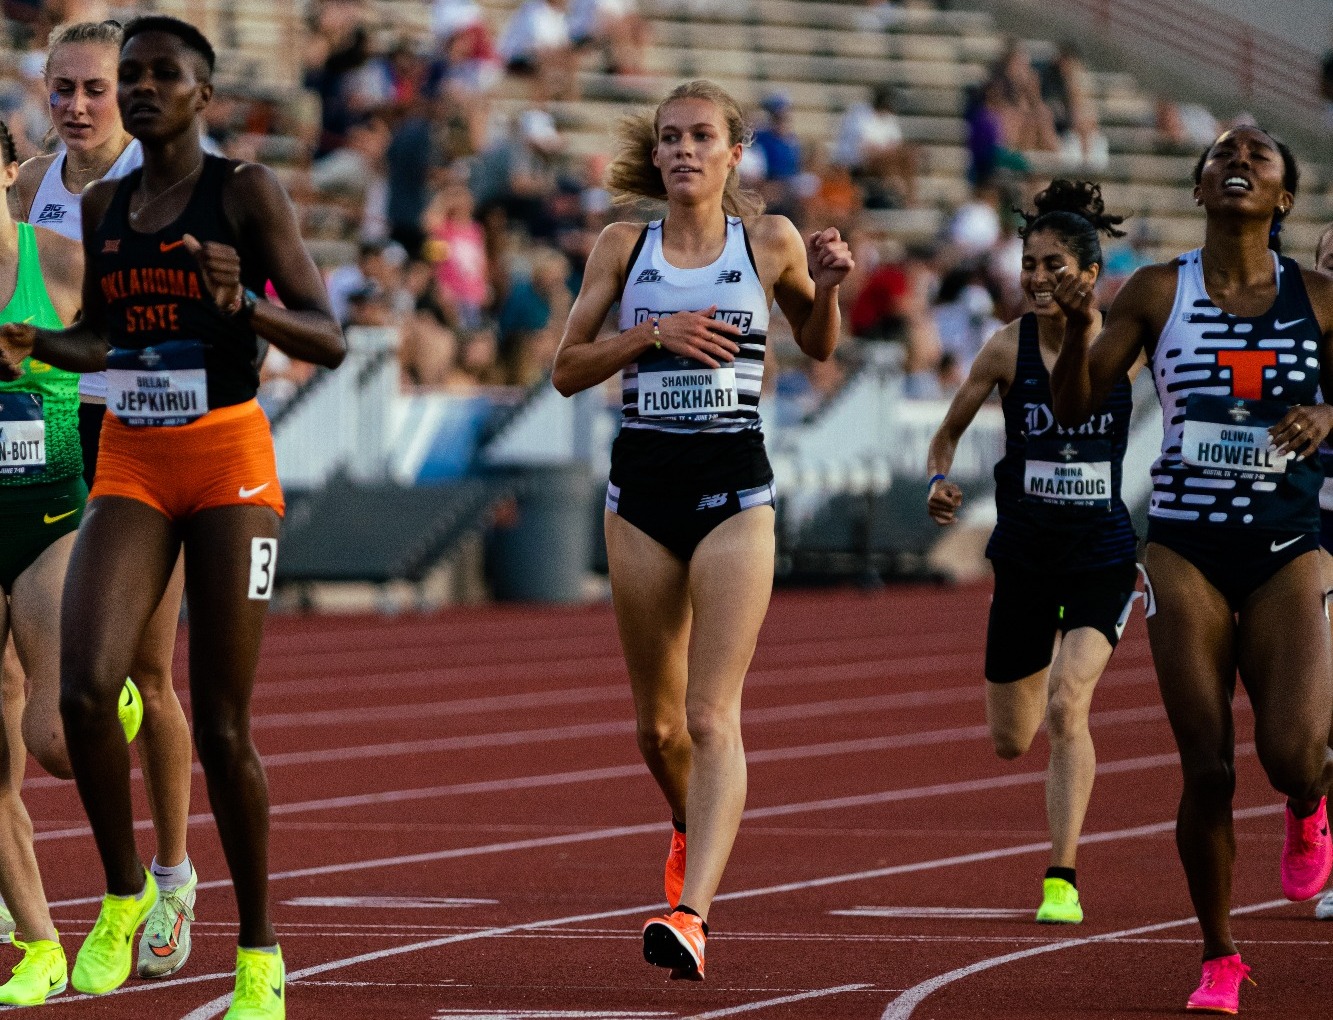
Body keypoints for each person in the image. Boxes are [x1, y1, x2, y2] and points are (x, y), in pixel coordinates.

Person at [0, 16, 345, 1018]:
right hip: (125, 462)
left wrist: (245, 308)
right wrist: (34, 345)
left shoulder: (244, 191)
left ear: (202, 91)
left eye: (152, 78)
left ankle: (251, 950)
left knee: (218, 716)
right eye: (122, 78)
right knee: (79, 693)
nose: (128, 94)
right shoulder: (91, 203)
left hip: (228, 468)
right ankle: (118, 897)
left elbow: (326, 338)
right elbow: (99, 341)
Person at [551, 78, 851, 980]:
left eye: (701, 137)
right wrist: (654, 335)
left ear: (733, 153)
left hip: (732, 485)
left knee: (711, 713)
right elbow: (566, 369)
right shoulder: (621, 246)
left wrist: (828, 288)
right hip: (642, 490)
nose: (683, 150)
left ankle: (692, 915)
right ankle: (688, 824)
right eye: (670, 137)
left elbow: (818, 340)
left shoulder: (766, 240)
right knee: (657, 730)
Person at [1048, 125, 1333, 1013]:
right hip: (1183, 544)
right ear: (1200, 187)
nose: (1238, 162)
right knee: (1205, 768)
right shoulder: (1156, 292)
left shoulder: (1319, 297)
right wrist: (1072, 327)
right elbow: (1076, 407)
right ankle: (1218, 956)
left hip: (1288, 547)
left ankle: (1307, 802)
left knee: (1290, 754)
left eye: (1258, 156)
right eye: (1221, 156)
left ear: (1282, 196)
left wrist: (1325, 414)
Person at [11, 19, 201, 979]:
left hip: (141, 432)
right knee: (24, 681)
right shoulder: (27, 185)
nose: (78, 106)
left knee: (147, 675)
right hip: (47, 438)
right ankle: (17, 893)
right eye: (62, 89)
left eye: (95, 88)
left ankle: (170, 872)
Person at [926, 180, 1138, 925]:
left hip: (1101, 555)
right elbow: (946, 433)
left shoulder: (1124, 341)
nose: (1038, 277)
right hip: (1021, 555)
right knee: (1011, 741)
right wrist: (938, 479)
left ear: (1088, 273)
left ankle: (1061, 878)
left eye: (1054, 264)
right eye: (1029, 264)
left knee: (1066, 704)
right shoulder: (1001, 347)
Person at [0, 116, 85, 1006]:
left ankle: (112, 696)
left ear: (12, 171)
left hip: (53, 515)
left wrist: (39, 352)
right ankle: (37, 942)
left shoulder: (56, 261)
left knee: (54, 740)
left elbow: (116, 353)